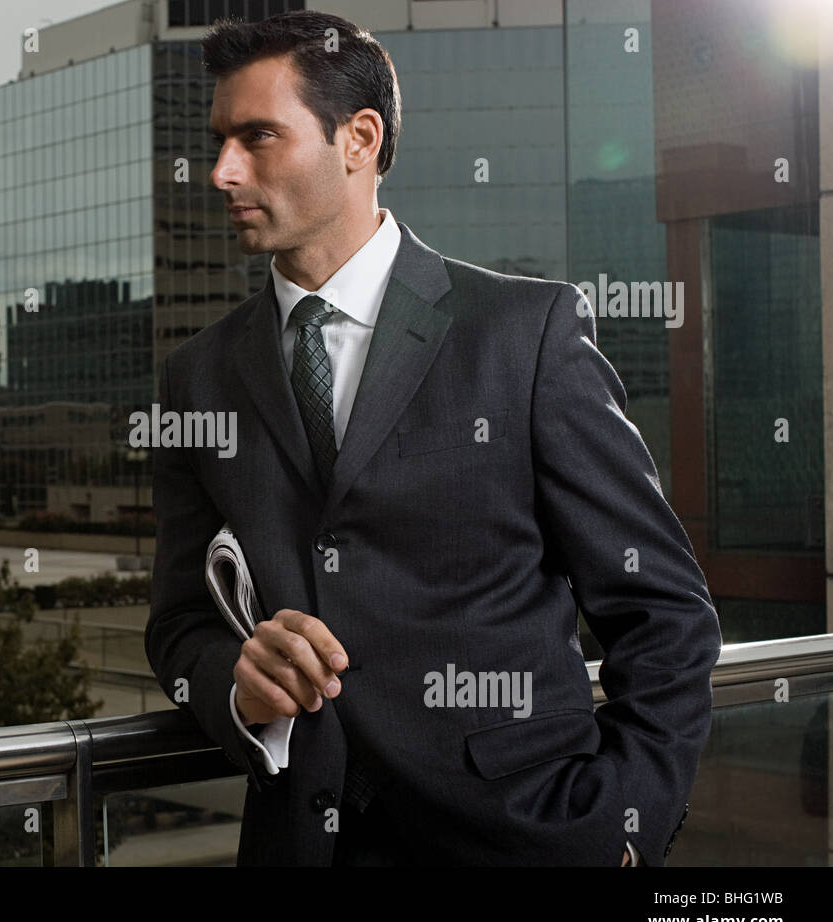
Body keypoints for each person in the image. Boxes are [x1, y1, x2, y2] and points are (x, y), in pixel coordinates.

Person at [144, 10, 721, 866]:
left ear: (359, 140)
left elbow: (664, 612)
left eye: (258, 137)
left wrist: (620, 824)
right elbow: (181, 619)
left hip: (522, 839)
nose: (223, 170)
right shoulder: (196, 378)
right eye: (220, 140)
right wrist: (235, 680)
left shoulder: (526, 336)